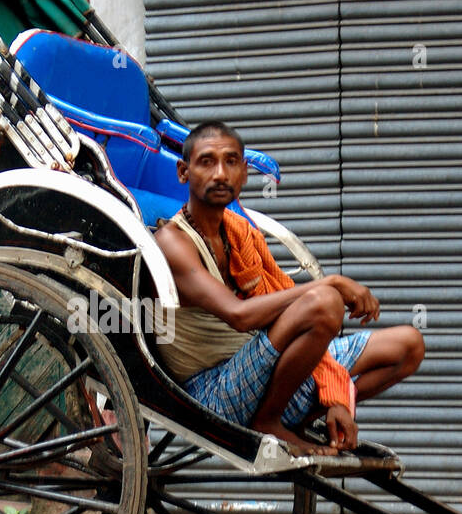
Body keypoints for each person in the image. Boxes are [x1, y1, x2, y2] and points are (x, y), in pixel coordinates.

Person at [153, 121, 424, 455]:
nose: (221, 174)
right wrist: (332, 282)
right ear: (183, 172)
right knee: (324, 302)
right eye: (207, 161)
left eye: (232, 161)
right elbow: (239, 316)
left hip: (264, 371)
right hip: (215, 392)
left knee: (408, 345)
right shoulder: (173, 241)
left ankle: (298, 416)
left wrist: (336, 398)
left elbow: (279, 306)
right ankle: (268, 422)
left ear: (245, 174)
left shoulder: (239, 233)